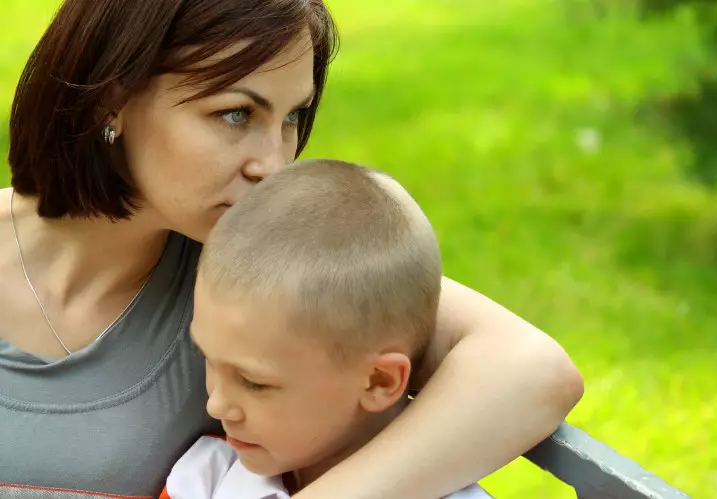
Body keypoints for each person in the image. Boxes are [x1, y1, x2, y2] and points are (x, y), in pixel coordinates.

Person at [0, 0, 583, 498]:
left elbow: (532, 370)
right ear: (112, 100)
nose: (274, 165)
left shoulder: (252, 282)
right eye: (235, 113)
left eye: (292, 117)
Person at [161, 158, 492, 498]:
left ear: (379, 381)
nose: (216, 405)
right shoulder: (207, 477)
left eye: (254, 382)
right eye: (208, 359)